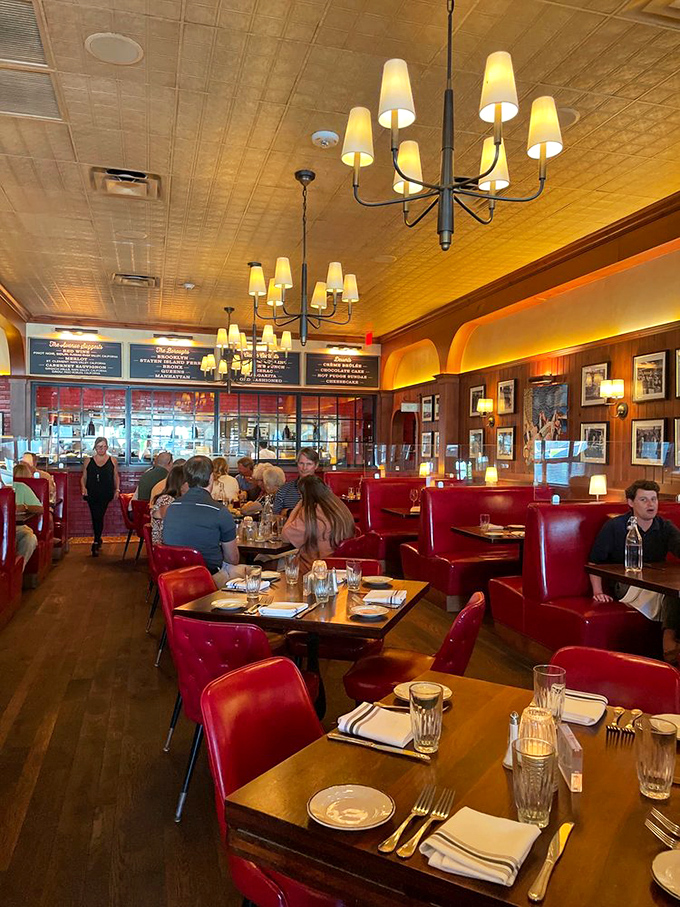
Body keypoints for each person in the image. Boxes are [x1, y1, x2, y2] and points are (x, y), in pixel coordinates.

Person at [589, 479, 680, 662]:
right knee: (673, 594)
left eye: (654, 499)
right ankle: (669, 646)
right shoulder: (616, 526)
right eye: (644, 500)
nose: (650, 504)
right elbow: (594, 562)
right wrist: (597, 591)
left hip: (657, 580)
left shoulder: (665, 527)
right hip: (626, 583)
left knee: (674, 591)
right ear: (631, 503)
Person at [162, 455, 239, 587]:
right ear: (211, 477)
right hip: (209, 578)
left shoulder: (171, 508)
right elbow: (232, 559)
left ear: (186, 478)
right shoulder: (220, 511)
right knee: (250, 572)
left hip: (174, 578)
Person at [281, 475, 355, 572]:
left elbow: (285, 536)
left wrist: (298, 506)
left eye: (301, 496)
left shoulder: (311, 512)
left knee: (268, 561)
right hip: (341, 567)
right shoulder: (339, 507)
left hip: (314, 568)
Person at [81, 437, 120, 556]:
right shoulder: (88, 461)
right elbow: (84, 477)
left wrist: (117, 489)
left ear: (107, 447)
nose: (101, 449)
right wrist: (83, 487)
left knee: (99, 515)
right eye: (99, 447)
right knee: (95, 515)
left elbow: (115, 476)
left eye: (103, 447)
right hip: (91, 492)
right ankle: (97, 540)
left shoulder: (113, 460)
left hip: (106, 492)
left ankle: (97, 539)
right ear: (95, 447)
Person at [10, 463, 42, 570]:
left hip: (16, 527)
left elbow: (40, 509)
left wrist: (25, 507)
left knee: (30, 538)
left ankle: (18, 572)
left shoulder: (20, 487)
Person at [273, 447, 319, 516]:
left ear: (316, 465)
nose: (304, 468)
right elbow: (275, 516)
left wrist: (288, 512)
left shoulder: (323, 490)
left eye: (309, 464)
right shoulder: (284, 490)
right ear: (297, 464)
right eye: (301, 463)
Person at [150, 464, 187, 545]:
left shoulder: (177, 499)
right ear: (181, 484)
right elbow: (170, 523)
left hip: (172, 543)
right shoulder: (166, 500)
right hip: (165, 547)